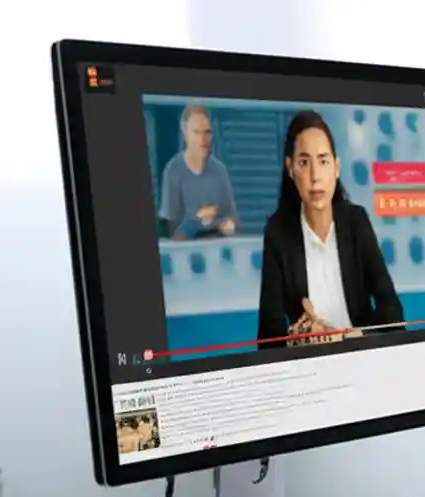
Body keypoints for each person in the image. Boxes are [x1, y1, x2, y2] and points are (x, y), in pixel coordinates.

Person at [257, 110, 403, 348]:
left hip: (362, 354)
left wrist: (358, 337)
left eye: (323, 161)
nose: (315, 177)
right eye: (304, 162)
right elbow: (267, 338)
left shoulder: (356, 221)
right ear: (291, 168)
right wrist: (297, 340)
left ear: (336, 168)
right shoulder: (278, 232)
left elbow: (393, 311)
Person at [159, 103, 239, 240]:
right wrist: (197, 219)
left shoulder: (219, 170)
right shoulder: (173, 171)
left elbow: (233, 219)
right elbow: (173, 236)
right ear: (185, 135)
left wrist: (229, 225)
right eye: (196, 132)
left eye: (207, 132)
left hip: (216, 248)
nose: (203, 140)